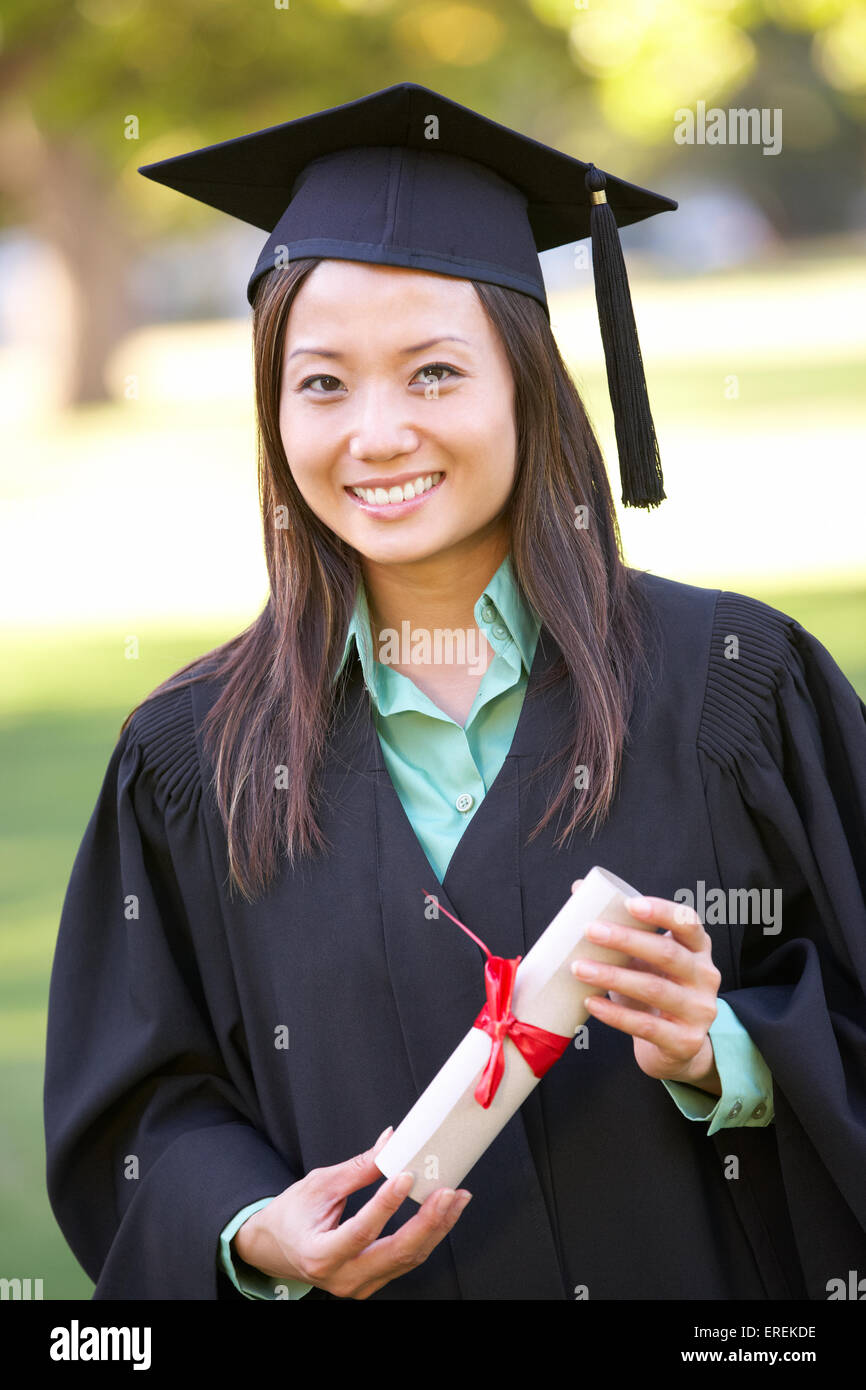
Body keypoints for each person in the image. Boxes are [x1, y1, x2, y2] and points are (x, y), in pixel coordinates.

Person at [45, 83, 866, 1301]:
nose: (374, 433)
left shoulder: (736, 691)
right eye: (321, 383)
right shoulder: (191, 761)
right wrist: (250, 1229)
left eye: (432, 373)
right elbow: (139, 1111)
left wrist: (728, 1048)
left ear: (527, 385)